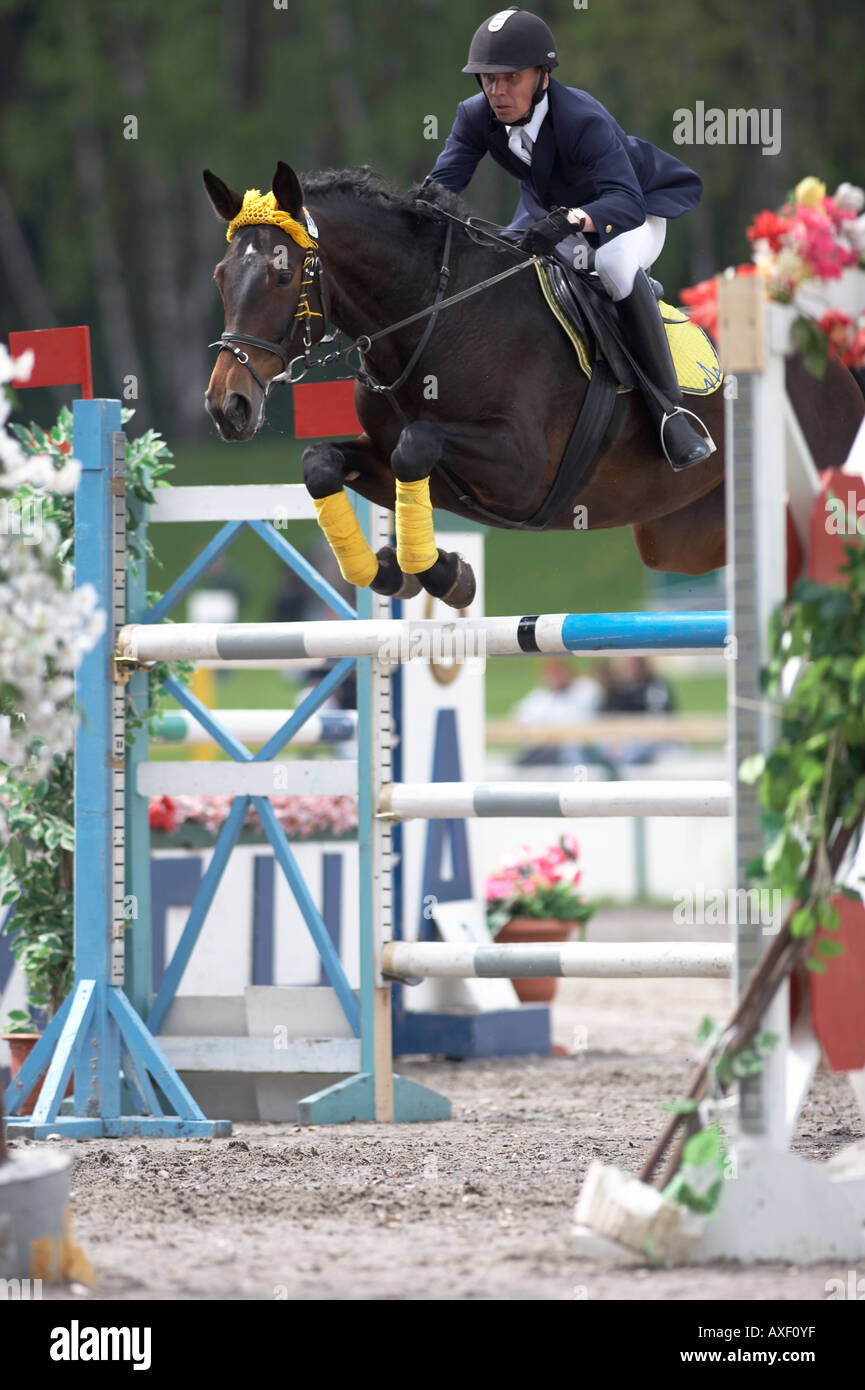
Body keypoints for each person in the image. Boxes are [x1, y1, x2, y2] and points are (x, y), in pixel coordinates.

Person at [427, 7, 715, 472]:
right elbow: (441, 188)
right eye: (487, 79)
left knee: (615, 268)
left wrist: (569, 222)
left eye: (510, 78)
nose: (497, 92)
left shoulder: (582, 118)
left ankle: (671, 414)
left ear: (542, 76)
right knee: (498, 262)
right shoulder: (475, 115)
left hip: (632, 212)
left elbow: (625, 201)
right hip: (548, 213)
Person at [510, 657, 604, 767]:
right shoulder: (542, 695)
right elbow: (520, 715)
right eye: (552, 674)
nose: (556, 677)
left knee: (572, 750)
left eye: (559, 672)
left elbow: (577, 717)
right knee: (524, 759)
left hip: (580, 744)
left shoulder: (586, 687)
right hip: (549, 746)